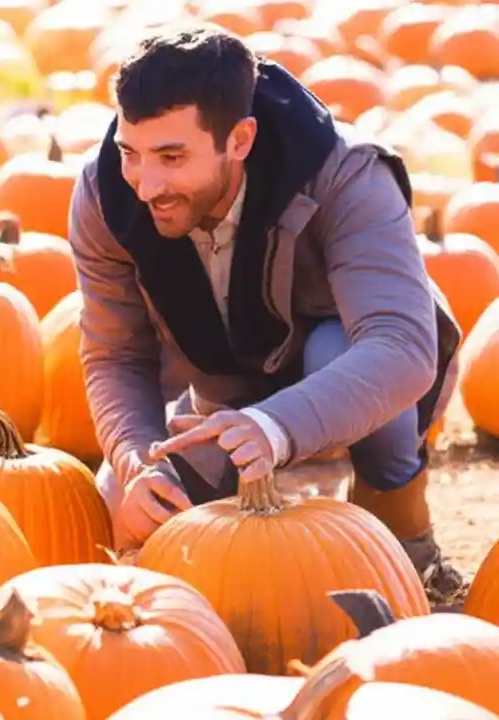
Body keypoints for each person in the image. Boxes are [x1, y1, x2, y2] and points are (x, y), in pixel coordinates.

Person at [70, 24, 465, 600]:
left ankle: (403, 525)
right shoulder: (106, 193)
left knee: (338, 349)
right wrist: (137, 461)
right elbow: (116, 354)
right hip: (225, 385)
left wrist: (274, 426)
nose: (147, 184)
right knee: (120, 498)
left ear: (240, 139)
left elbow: (401, 345)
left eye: (172, 156)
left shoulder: (346, 173)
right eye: (132, 152)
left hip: (351, 369)